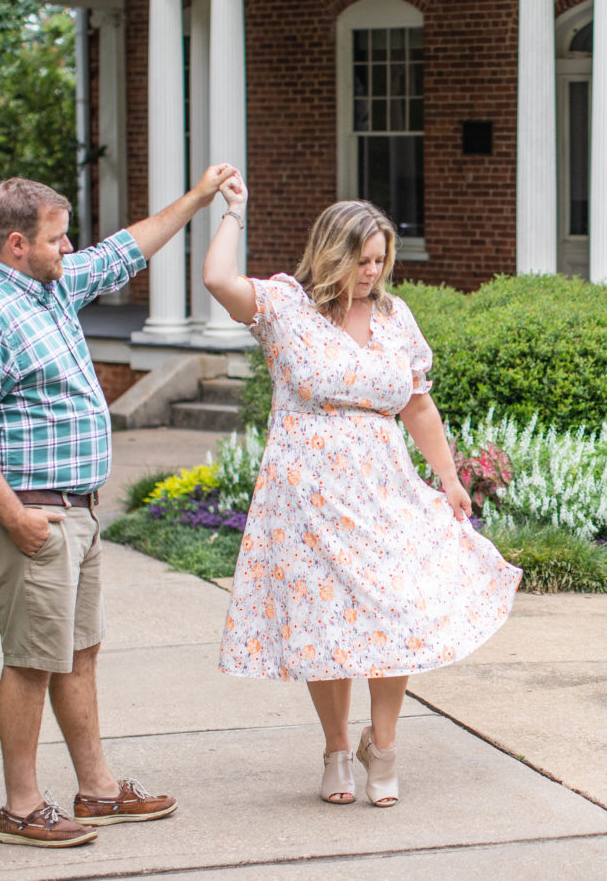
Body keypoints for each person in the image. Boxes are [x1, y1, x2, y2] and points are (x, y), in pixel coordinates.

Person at [0, 167, 233, 847]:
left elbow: (127, 248)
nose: (71, 248)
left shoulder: (50, 285)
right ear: (17, 244)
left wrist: (197, 196)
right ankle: (21, 805)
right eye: (57, 238)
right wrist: (12, 515)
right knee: (32, 659)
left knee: (78, 651)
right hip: (31, 513)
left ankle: (98, 789)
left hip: (75, 509)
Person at [202, 178, 521, 808]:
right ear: (331, 254)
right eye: (362, 261)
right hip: (306, 496)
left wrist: (451, 477)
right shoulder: (284, 306)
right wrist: (234, 211)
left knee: (392, 611)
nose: (373, 272)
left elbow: (418, 406)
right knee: (325, 626)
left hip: (383, 490)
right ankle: (337, 750)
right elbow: (216, 279)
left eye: (380, 260)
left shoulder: (394, 317)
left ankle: (385, 746)